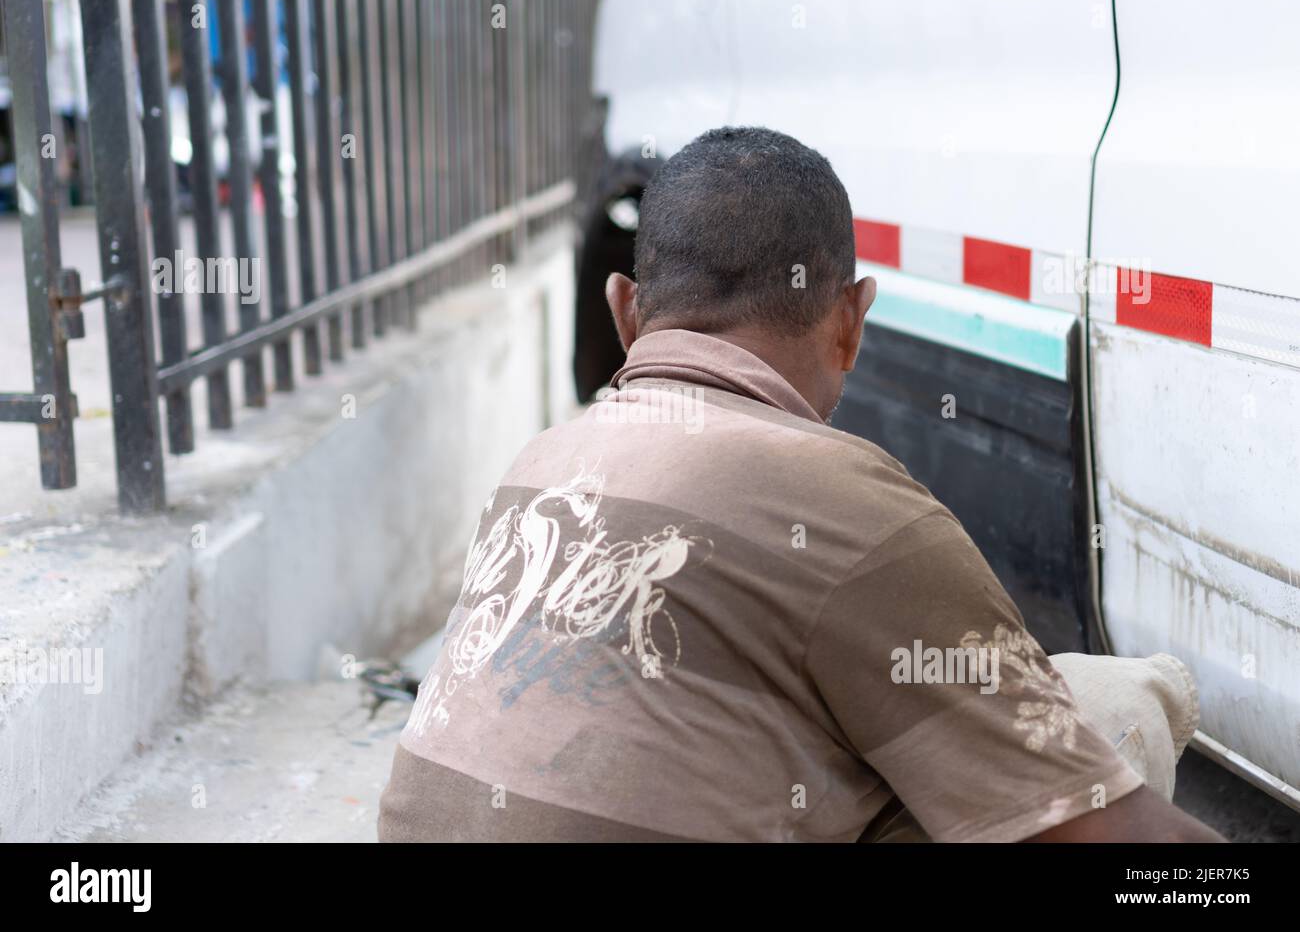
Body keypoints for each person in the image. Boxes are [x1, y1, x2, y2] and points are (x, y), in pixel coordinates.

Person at [379, 126, 1220, 842]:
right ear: (852, 319)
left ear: (625, 310)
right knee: (1104, 708)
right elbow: (1102, 834)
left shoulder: (537, 464)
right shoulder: (844, 498)